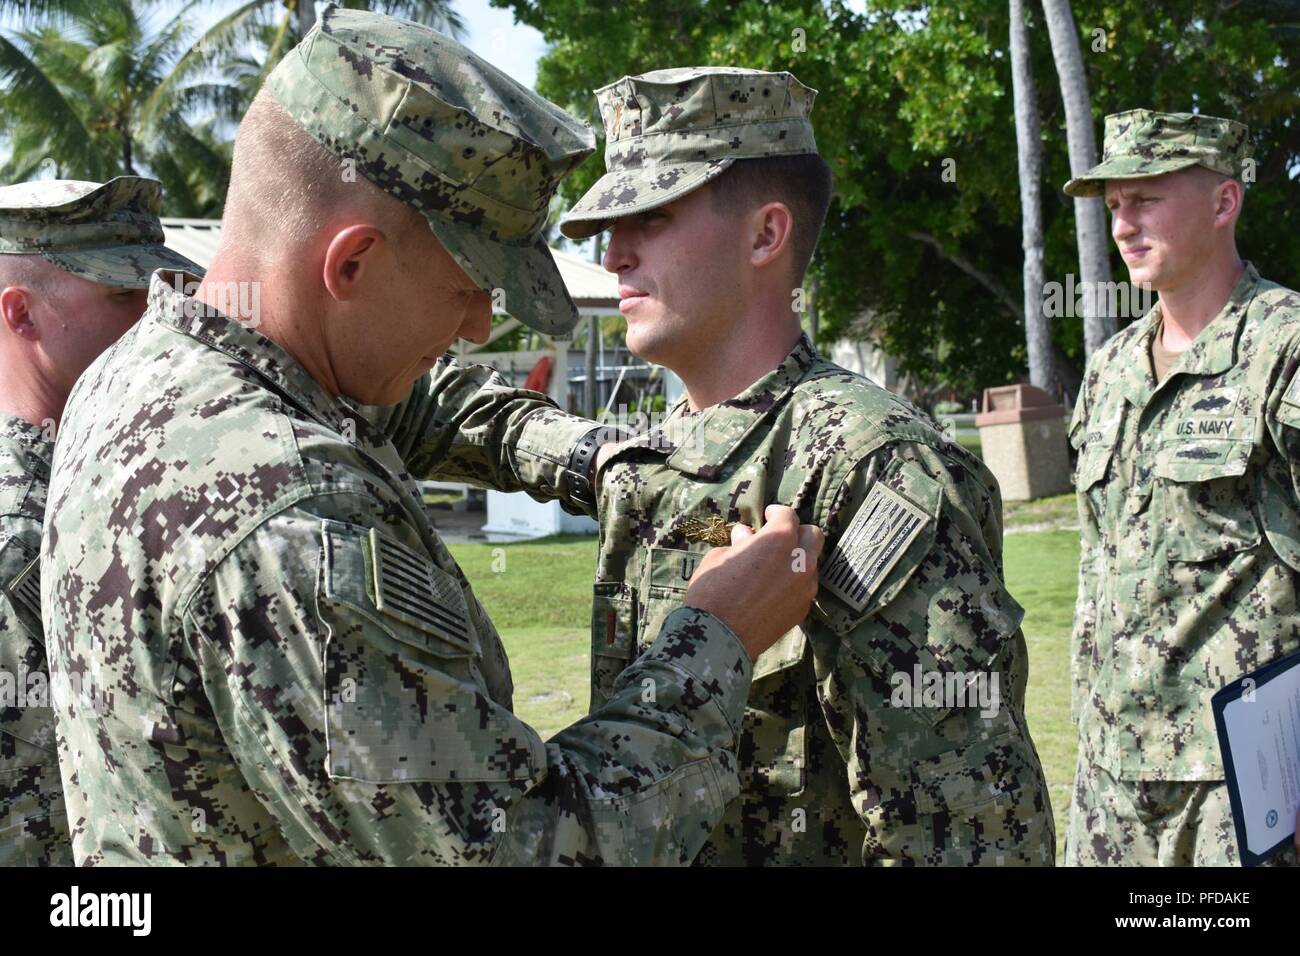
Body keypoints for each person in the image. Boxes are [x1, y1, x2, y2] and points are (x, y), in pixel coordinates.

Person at [41, 9, 822, 867]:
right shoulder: (296, 528)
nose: (482, 324)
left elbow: (424, 407)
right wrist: (713, 636)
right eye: (468, 284)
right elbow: (525, 849)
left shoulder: (148, 373)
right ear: (352, 263)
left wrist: (593, 458)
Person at [561, 67, 1055, 865]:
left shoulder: (879, 467)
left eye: (649, 216)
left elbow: (967, 835)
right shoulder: (664, 456)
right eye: (611, 225)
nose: (614, 253)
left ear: (765, 235)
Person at [1064, 109, 1299, 866]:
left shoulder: (1283, 347)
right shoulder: (1110, 369)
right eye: (1114, 206)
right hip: (1111, 779)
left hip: (1239, 785)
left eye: (1147, 198)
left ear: (1224, 202)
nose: (1124, 225)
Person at [0, 176, 199, 865]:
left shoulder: (118, 453)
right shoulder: (18, 529)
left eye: (160, 293)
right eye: (123, 297)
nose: (156, 318)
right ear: (20, 314)